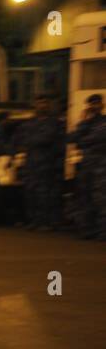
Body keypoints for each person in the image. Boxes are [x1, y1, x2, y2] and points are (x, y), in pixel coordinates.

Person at [14, 96, 65, 231]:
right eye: (39, 103)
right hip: (31, 163)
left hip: (47, 163)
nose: (42, 106)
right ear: (35, 106)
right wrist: (30, 142)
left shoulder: (54, 123)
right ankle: (34, 220)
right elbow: (20, 139)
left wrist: (31, 141)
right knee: (30, 192)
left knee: (45, 193)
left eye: (45, 103)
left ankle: (46, 221)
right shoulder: (29, 123)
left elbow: (46, 139)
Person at [68, 94, 105, 240]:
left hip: (102, 164)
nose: (94, 106)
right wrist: (85, 122)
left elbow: (99, 137)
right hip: (87, 164)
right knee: (85, 197)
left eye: (97, 103)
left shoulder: (104, 122)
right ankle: (87, 230)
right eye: (92, 104)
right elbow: (71, 138)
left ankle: (103, 231)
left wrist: (83, 140)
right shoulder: (86, 123)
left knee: (102, 198)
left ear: (102, 105)